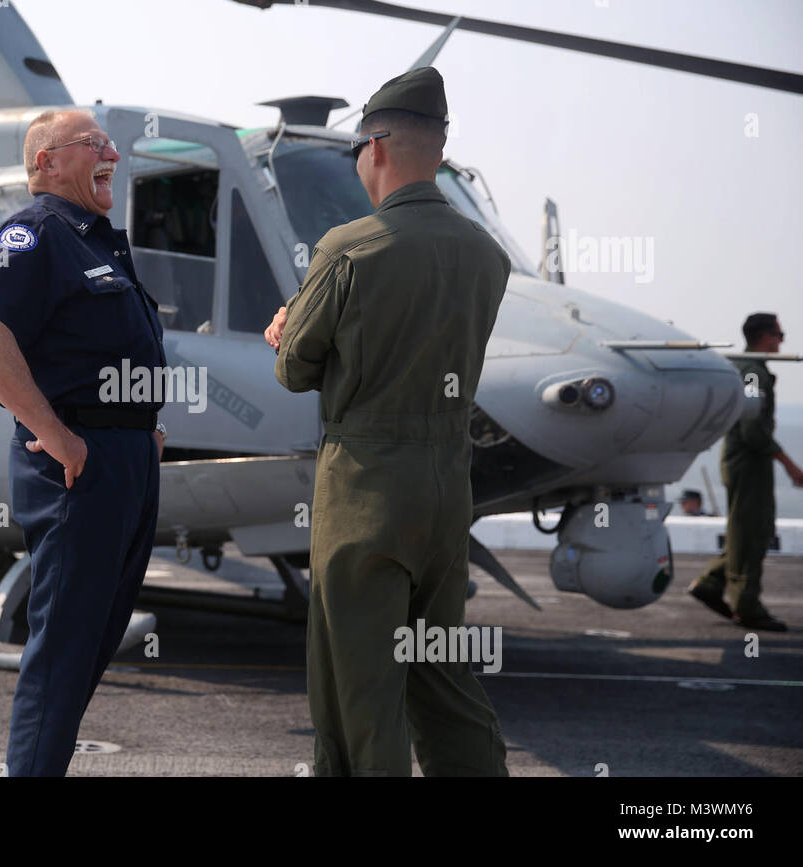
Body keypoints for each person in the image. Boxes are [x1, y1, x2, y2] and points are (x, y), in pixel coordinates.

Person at [266, 67, 510, 776]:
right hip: (445, 489)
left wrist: (286, 330)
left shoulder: (349, 247)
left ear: (375, 148)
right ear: (436, 150)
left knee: (357, 686)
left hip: (365, 489)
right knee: (440, 670)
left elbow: (295, 370)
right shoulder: (486, 256)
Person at [0, 109, 168, 775]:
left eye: (110, 144)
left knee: (92, 645)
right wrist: (59, 437)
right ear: (46, 163)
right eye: (94, 145)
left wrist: (142, 426)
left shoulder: (97, 240)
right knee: (63, 654)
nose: (113, 155)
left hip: (124, 461)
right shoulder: (37, 230)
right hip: (81, 469)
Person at [688, 313, 802, 632]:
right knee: (750, 532)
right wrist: (790, 465)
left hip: (746, 461)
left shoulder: (748, 369)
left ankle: (712, 583)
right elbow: (753, 431)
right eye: (780, 335)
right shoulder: (752, 372)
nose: (782, 342)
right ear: (764, 337)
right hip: (748, 462)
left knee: (755, 530)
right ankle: (747, 606)